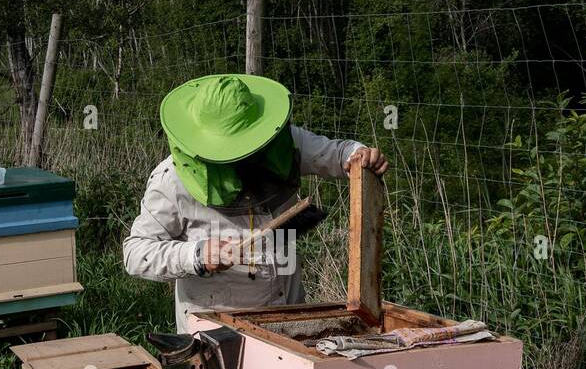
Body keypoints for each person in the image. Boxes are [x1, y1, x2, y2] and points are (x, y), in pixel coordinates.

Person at [123, 73, 388, 332]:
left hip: (290, 317)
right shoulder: (172, 179)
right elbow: (135, 254)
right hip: (218, 330)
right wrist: (196, 255)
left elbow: (338, 153)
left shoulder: (285, 142)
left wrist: (360, 154)